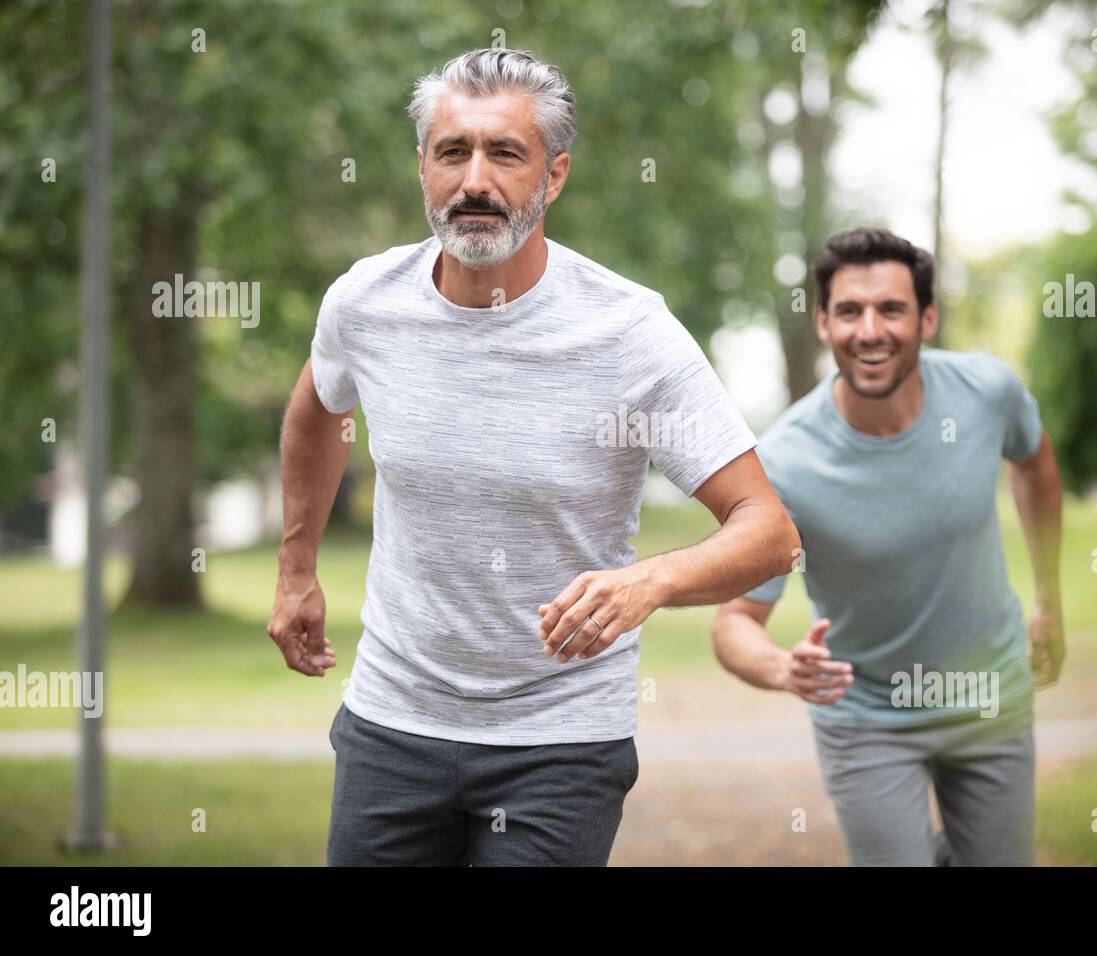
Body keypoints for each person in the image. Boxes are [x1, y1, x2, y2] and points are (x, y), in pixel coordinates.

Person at [266, 48, 799, 867]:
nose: (475, 180)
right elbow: (315, 413)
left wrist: (651, 581)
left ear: (552, 176)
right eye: (453, 152)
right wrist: (296, 566)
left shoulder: (631, 333)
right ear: (422, 167)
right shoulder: (365, 305)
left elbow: (768, 530)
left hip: (561, 742)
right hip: (392, 723)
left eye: (505, 154)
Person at [711, 227, 1065, 866]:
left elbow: (1035, 463)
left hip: (989, 697)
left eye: (892, 309)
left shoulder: (987, 392)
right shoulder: (786, 462)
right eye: (849, 310)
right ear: (823, 322)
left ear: (927, 317)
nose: (869, 330)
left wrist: (1049, 598)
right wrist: (783, 669)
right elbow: (735, 623)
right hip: (868, 717)